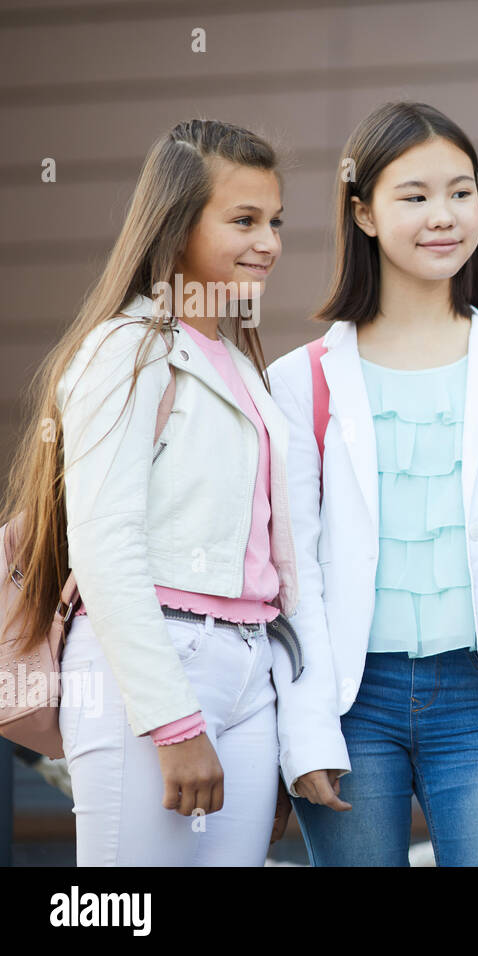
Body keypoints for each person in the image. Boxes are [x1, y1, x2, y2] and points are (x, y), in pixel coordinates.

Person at [1, 119, 341, 865]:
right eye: (244, 220)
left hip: (251, 668)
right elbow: (105, 544)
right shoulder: (126, 348)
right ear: (178, 226)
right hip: (154, 666)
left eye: (276, 221)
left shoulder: (242, 367)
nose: (270, 242)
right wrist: (173, 722)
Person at [268, 102, 478, 866]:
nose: (443, 216)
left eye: (461, 191)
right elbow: (295, 578)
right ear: (364, 213)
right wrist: (306, 727)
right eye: (414, 196)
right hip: (352, 709)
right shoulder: (299, 381)